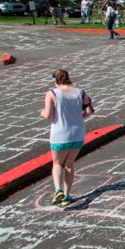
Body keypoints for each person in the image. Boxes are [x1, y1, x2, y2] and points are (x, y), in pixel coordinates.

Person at [40, 69, 94, 207]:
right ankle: (67, 195)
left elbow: (48, 115)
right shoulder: (80, 92)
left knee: (57, 163)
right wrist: (78, 118)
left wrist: (41, 113)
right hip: (78, 133)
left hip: (60, 133)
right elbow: (89, 111)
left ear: (55, 80)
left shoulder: (52, 93)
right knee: (69, 165)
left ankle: (58, 190)